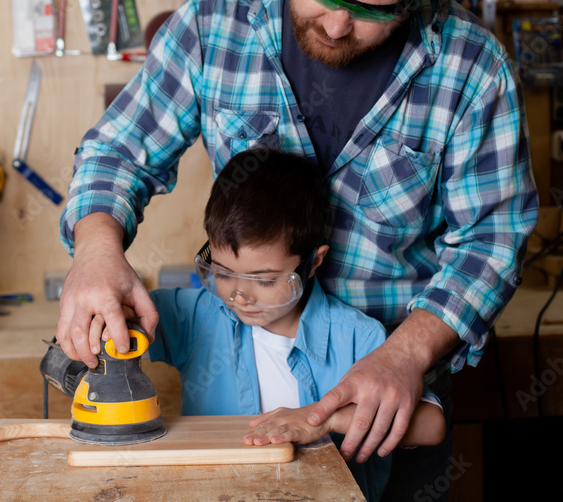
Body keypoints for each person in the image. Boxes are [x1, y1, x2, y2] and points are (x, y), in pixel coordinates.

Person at [58, 0, 538, 499]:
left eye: (374, 11)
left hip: (385, 406)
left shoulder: (470, 67)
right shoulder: (214, 24)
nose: (338, 25)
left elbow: (492, 242)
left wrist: (403, 356)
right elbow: (118, 152)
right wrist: (94, 250)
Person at [89, 148, 446, 501]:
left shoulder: (357, 336)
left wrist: (325, 420)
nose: (241, 295)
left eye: (265, 280)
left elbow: (432, 425)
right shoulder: (197, 314)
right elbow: (121, 320)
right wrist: (101, 315)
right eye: (225, 273)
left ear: (313, 262)